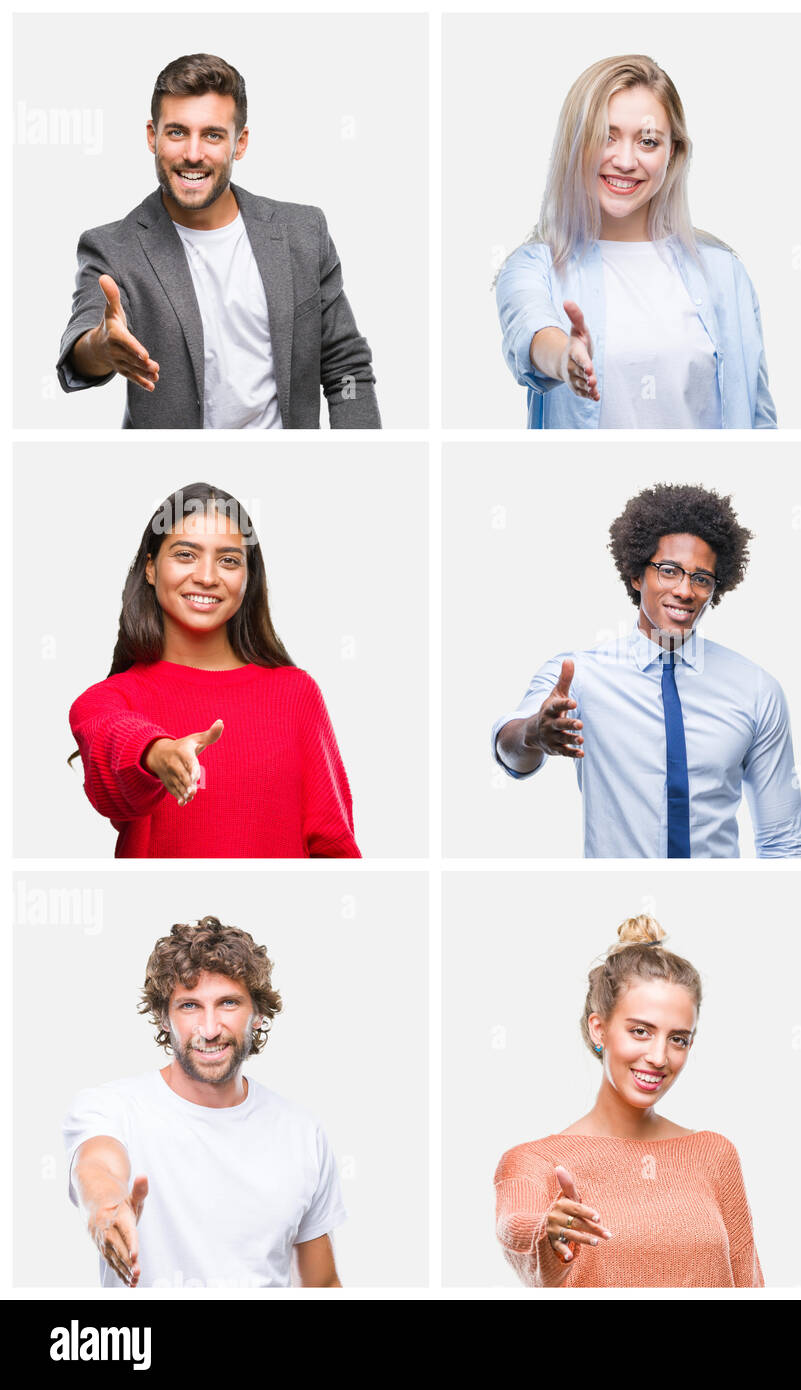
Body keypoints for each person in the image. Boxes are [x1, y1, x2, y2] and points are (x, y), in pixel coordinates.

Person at [56, 53, 379, 429]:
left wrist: (357, 457)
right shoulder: (113, 248)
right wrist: (101, 347)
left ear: (239, 143)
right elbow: (85, 340)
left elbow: (346, 367)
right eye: (177, 132)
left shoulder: (304, 232)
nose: (193, 154)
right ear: (152, 136)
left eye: (212, 135)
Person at [492, 483, 801, 857]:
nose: (685, 591)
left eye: (701, 578)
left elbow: (781, 840)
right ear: (636, 576)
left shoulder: (756, 689)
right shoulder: (578, 676)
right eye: (669, 571)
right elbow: (508, 748)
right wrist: (534, 735)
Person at [69, 481, 360, 858]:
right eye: (186, 554)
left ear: (248, 578)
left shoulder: (296, 693)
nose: (207, 576)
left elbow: (333, 844)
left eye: (228, 560)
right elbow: (111, 742)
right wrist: (157, 753)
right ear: (151, 569)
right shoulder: (109, 699)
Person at [495, 54, 775, 429]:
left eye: (647, 141)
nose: (625, 161)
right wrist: (565, 358)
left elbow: (760, 423)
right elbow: (531, 333)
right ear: (576, 145)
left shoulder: (726, 273)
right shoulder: (533, 268)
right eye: (605, 137)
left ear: (671, 152)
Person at [64, 916, 346, 1288]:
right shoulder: (110, 1108)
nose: (210, 1029)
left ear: (258, 1014)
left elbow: (322, 1285)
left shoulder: (302, 1131)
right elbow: (97, 1165)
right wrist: (105, 1205)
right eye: (189, 1006)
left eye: (228, 1003)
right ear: (164, 1018)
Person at [494, 915, 762, 1288]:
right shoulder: (536, 1160)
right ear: (599, 1029)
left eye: (678, 1039)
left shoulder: (714, 1154)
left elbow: (751, 1286)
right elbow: (514, 1227)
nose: (658, 1056)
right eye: (640, 1031)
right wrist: (545, 1228)